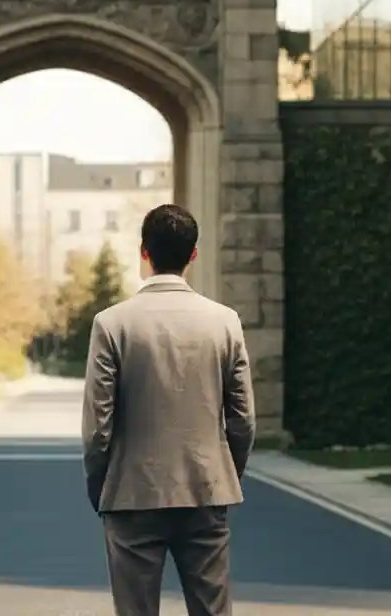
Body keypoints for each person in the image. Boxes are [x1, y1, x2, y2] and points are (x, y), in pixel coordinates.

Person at [82, 204, 255, 616]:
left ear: (144, 252)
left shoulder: (112, 324)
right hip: (205, 488)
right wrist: (225, 471)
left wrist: (100, 486)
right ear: (192, 255)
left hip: (132, 492)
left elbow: (97, 429)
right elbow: (243, 419)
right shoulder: (225, 321)